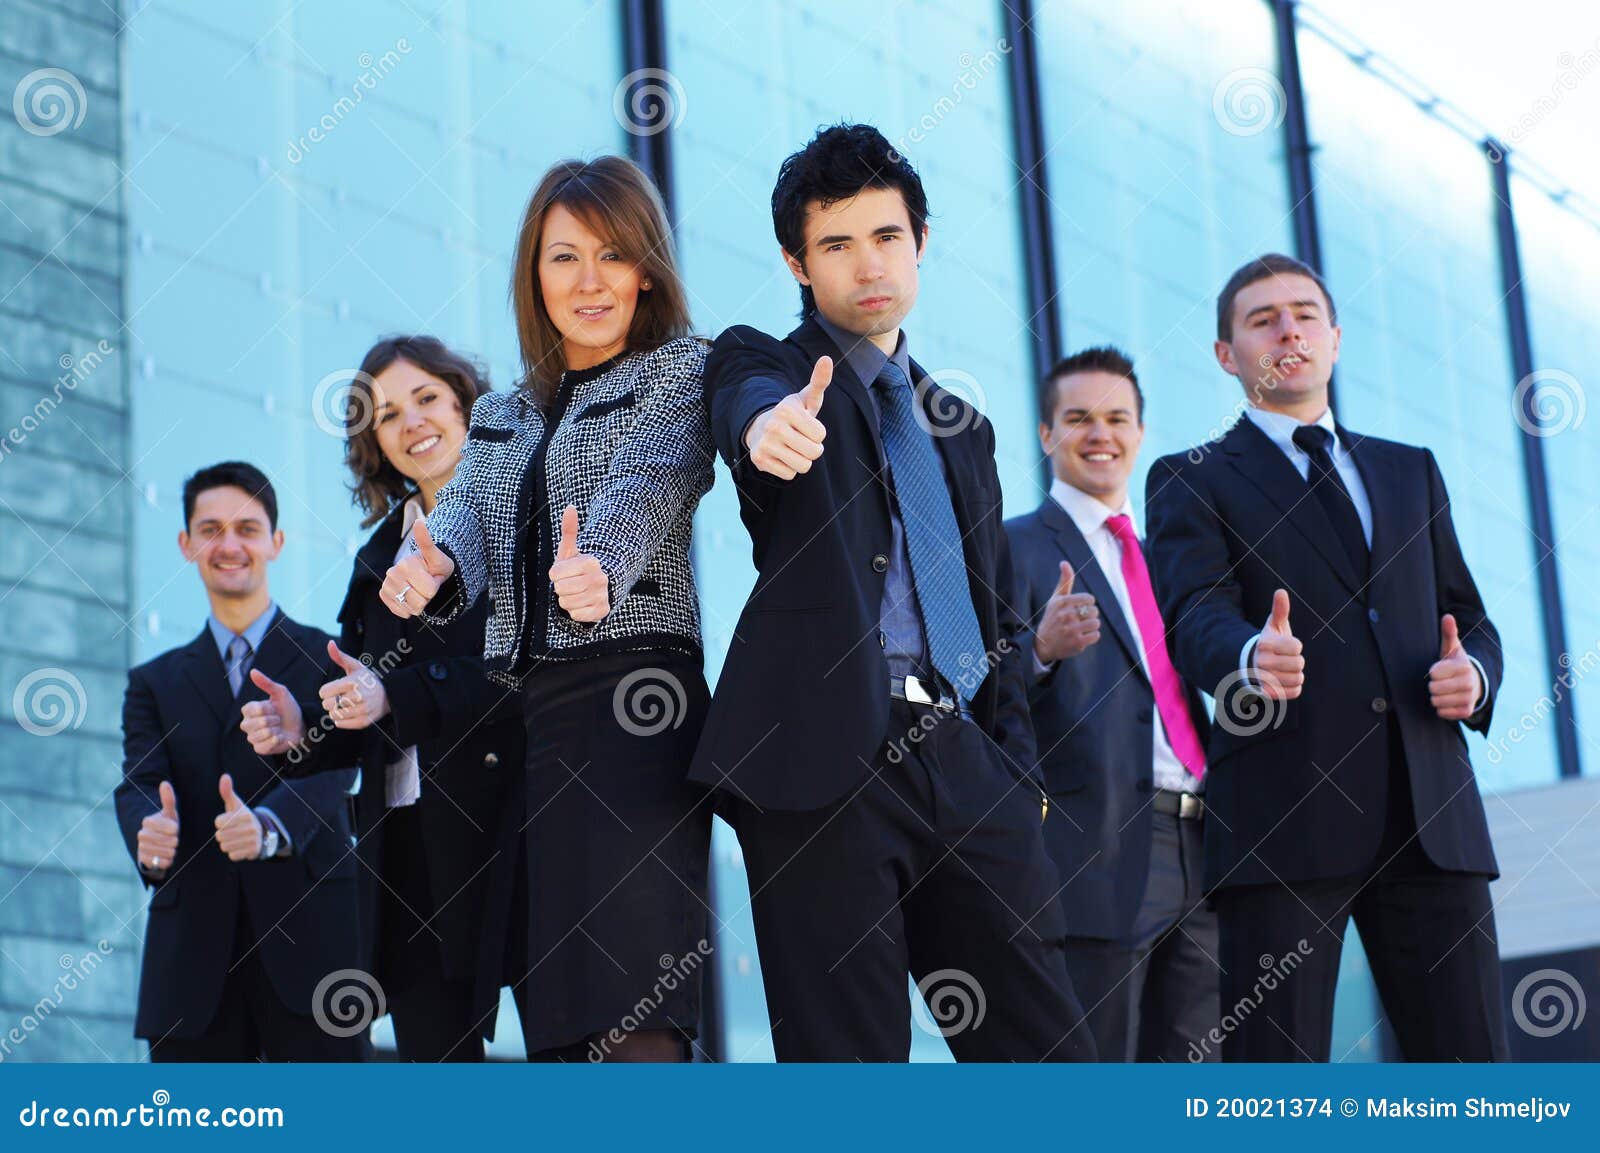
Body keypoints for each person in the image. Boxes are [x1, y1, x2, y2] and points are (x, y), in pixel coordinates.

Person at [692, 123, 1095, 1062]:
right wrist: (765, 431)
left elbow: (996, 614)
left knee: (1051, 1060)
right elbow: (740, 394)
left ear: (920, 243)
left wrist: (1016, 776)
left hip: (968, 763)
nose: (866, 264)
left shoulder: (963, 427)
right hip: (823, 760)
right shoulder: (776, 368)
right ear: (798, 262)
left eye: (885, 237)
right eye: (835, 244)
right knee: (850, 1067)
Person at [379, 156, 715, 1062]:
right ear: (535, 272)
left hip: (635, 708)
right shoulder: (498, 412)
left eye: (613, 255)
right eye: (564, 257)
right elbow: (463, 527)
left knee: (632, 998)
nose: (590, 281)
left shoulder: (680, 369)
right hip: (527, 727)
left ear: (647, 268)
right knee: (558, 1012)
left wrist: (597, 566)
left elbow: (652, 480)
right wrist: (432, 567)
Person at [1145, 253, 1508, 1061]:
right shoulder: (1191, 479)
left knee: (1473, 1074)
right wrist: (1248, 654)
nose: (1288, 330)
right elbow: (1192, 615)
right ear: (1225, 353)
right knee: (1278, 1087)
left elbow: (1469, 617)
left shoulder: (1410, 472)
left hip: (1431, 819)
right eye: (1262, 318)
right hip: (1285, 815)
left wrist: (1474, 674)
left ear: (1335, 338)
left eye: (1305, 314)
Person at [268, 336, 528, 1060]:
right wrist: (306, 723)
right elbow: (369, 701)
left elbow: (523, 667)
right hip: (410, 846)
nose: (410, 422)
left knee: (574, 1061)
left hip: (519, 827)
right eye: (386, 414)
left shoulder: (522, 512)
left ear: (464, 403)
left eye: (425, 399)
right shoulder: (377, 555)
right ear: (375, 442)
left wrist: (394, 693)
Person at [112, 461, 365, 1061]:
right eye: (211, 528)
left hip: (312, 949)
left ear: (276, 543)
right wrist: (148, 829)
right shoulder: (153, 683)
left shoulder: (328, 657)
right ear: (186, 544)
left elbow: (340, 764)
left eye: (248, 528)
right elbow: (141, 783)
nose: (229, 545)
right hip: (192, 963)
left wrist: (271, 825)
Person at [1006, 346, 1217, 1062]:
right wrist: (1038, 649)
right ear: (1045, 435)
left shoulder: (1174, 562)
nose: (1101, 433)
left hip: (1204, 844)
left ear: (1140, 432)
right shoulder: (1013, 549)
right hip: (1090, 852)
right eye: (1079, 418)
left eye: (1117, 418)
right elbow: (975, 694)